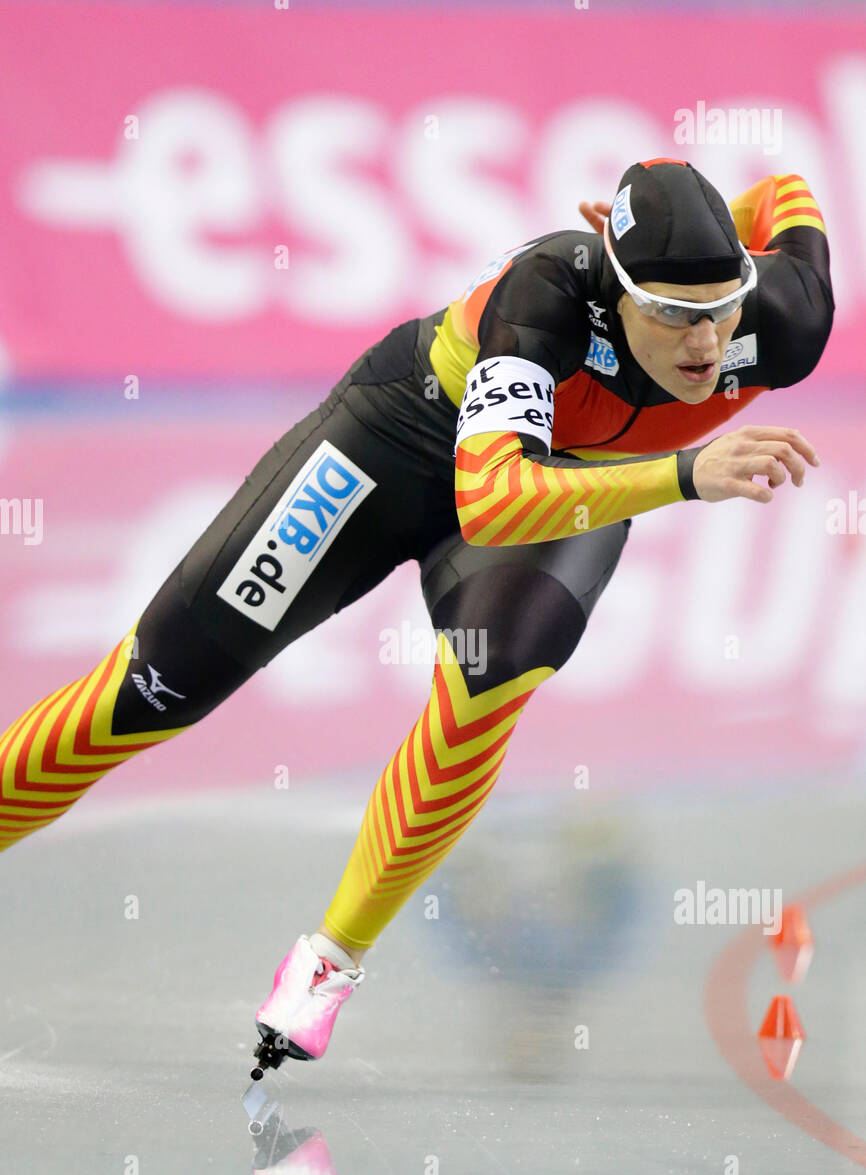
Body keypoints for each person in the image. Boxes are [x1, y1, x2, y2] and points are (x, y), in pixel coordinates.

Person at [0, 159, 833, 1072]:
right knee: (155, 691)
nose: (705, 343)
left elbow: (785, 188)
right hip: (402, 440)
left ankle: (328, 961)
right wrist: (686, 476)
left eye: (719, 308)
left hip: (567, 474)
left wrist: (708, 223)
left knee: (495, 677)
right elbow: (488, 501)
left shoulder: (784, 321)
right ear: (620, 289)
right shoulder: (546, 294)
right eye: (672, 313)